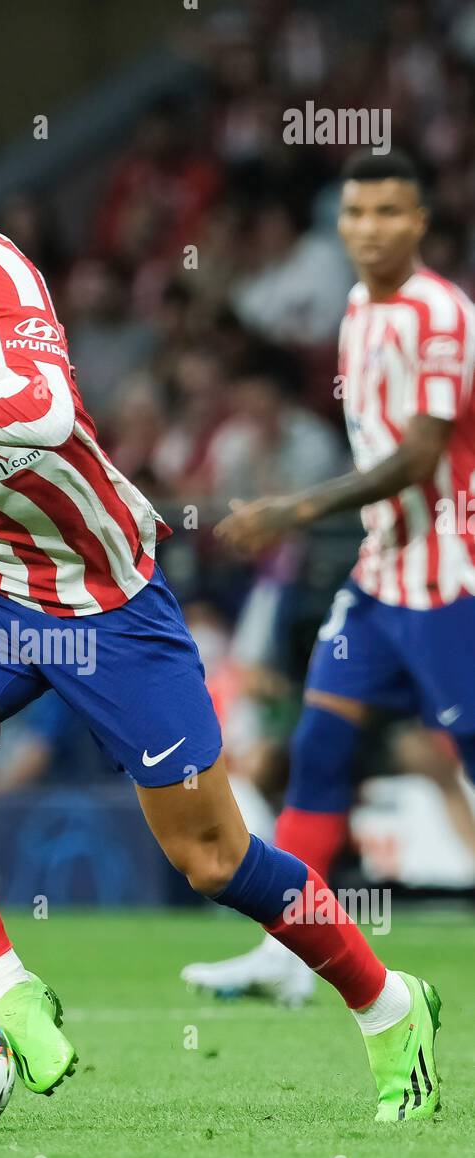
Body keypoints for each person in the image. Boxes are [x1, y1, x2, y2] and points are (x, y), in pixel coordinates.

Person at [0, 93, 439, 1120]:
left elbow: (46, 411)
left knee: (210, 856)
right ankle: (9, 989)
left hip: (105, 599)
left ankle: (387, 1007)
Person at [201, 149, 474, 1039]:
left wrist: (298, 507)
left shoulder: (441, 314)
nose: (370, 228)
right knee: (317, 752)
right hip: (381, 578)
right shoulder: (359, 310)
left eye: (390, 212)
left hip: (452, 577)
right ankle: (289, 955)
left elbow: (422, 454)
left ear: (420, 223)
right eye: (356, 213)